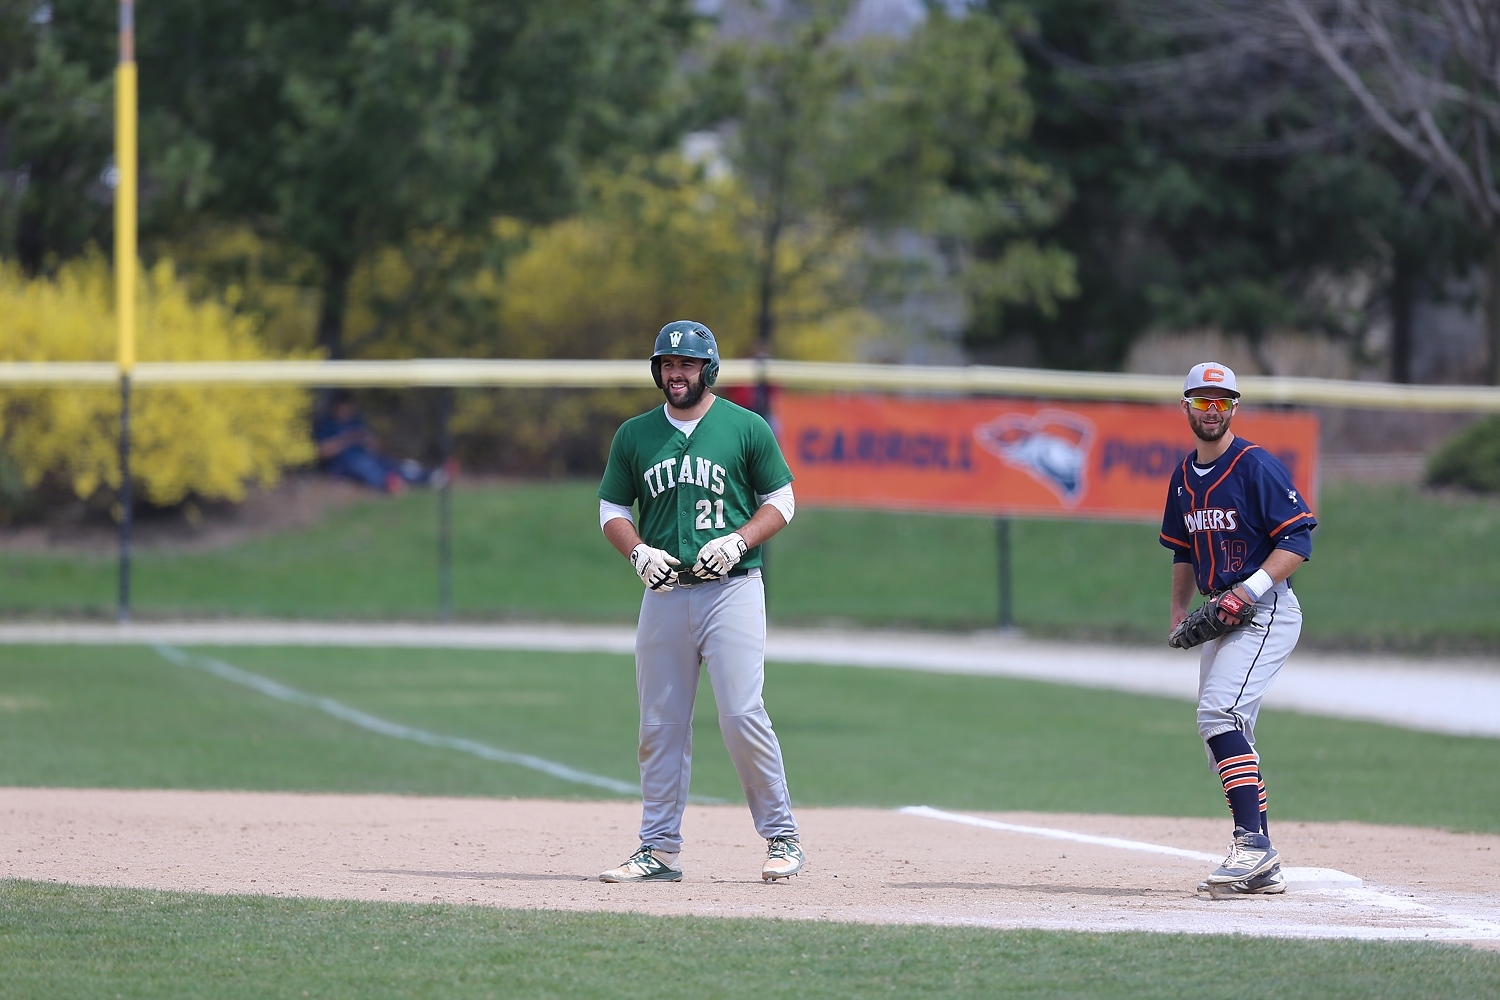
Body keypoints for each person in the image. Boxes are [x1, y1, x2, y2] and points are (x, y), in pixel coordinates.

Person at [595, 320, 804, 883]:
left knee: (741, 713)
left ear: (707, 369)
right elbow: (611, 510)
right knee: (660, 725)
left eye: (686, 364)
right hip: (664, 594)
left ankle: (782, 837)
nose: (676, 374)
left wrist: (739, 539)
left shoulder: (744, 427)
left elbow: (781, 500)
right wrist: (638, 552)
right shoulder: (636, 435)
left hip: (732, 590)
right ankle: (659, 851)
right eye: (667, 364)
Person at [1159, 362, 1317, 896]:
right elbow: (1182, 549)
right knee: (1224, 732)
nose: (1211, 410)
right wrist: (1180, 610)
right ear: (1185, 407)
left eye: (1220, 401)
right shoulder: (1183, 477)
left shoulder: (1255, 466)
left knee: (1218, 713)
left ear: (1234, 407)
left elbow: (1297, 543)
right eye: (1201, 401)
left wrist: (1248, 590)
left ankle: (1253, 845)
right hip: (1220, 616)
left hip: (1265, 610)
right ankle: (1261, 863)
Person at [313, 391, 449, 494]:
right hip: (345, 463)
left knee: (393, 465)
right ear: (336, 408)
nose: (347, 411)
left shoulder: (356, 421)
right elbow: (323, 451)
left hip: (368, 455)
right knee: (365, 466)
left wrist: (365, 438)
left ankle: (429, 476)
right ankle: (389, 485)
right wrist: (346, 439)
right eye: (344, 408)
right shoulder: (327, 425)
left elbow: (376, 444)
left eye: (350, 407)